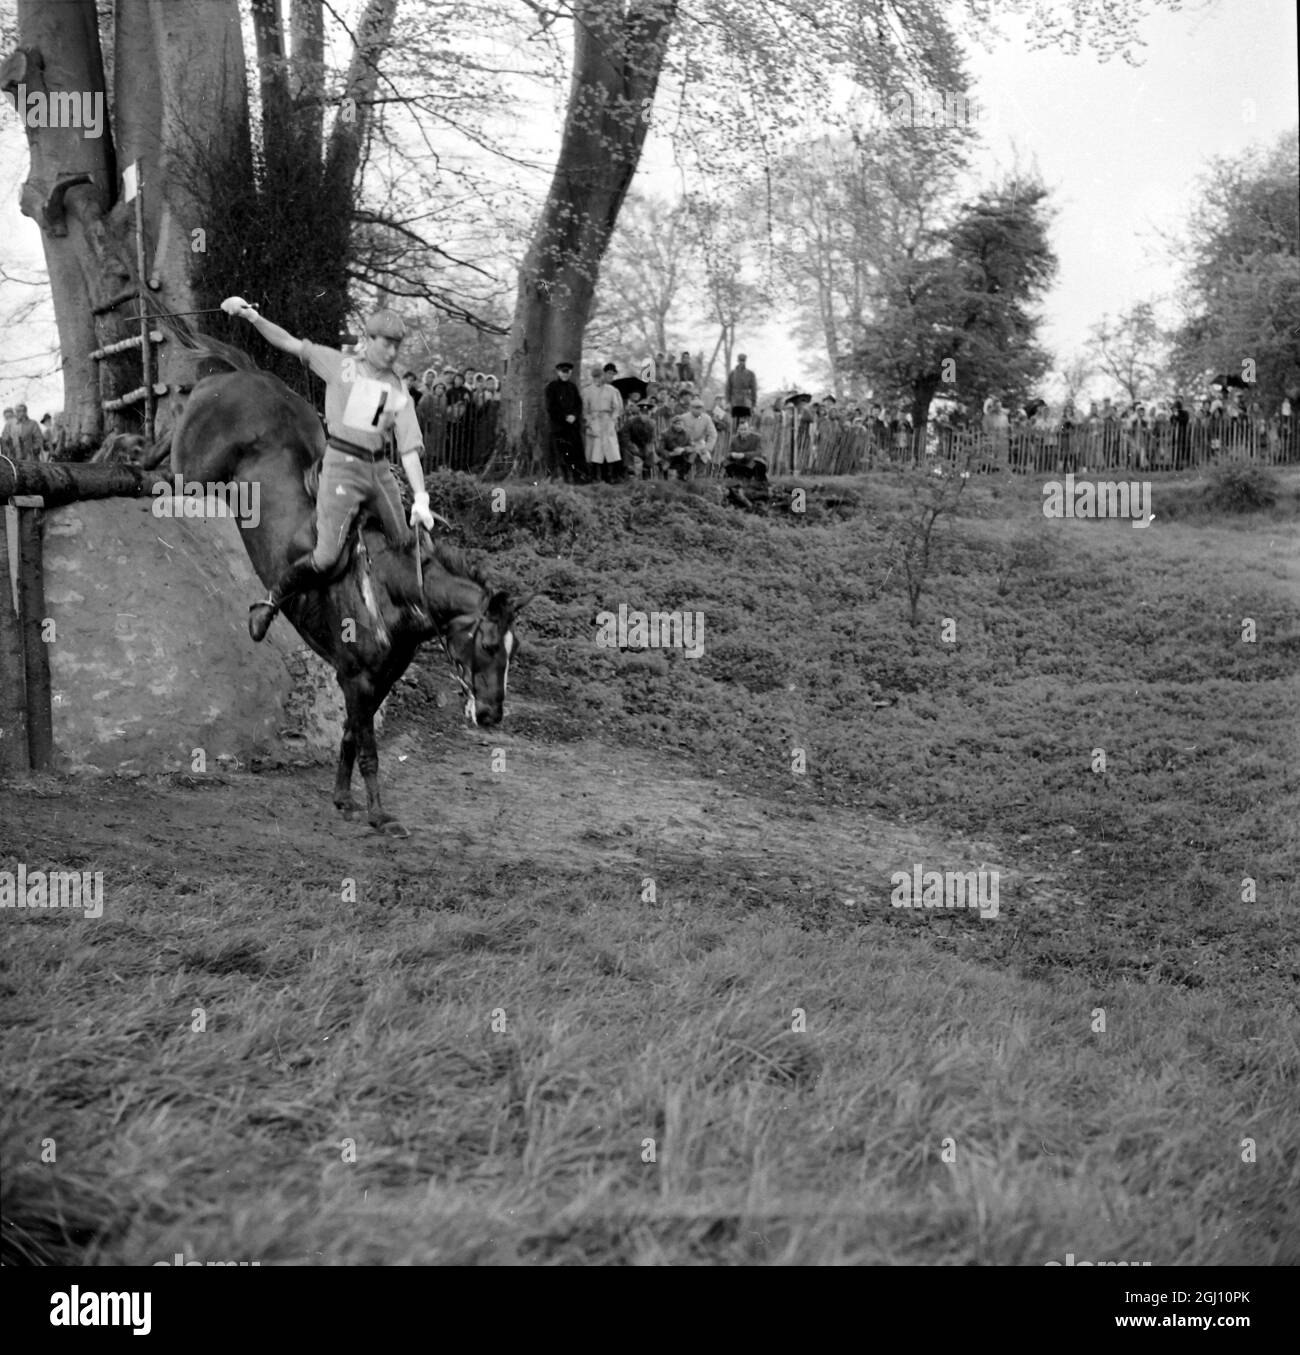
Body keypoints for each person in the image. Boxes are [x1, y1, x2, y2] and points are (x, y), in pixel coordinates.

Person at [221, 296, 436, 642]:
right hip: (341, 468)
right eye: (387, 344)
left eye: (398, 346)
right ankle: (270, 601)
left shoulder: (398, 388)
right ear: (369, 340)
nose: (393, 353)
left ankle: (394, 617)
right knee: (325, 557)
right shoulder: (340, 365)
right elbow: (290, 343)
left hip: (378, 472)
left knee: (407, 544)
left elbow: (409, 449)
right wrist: (252, 317)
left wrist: (421, 499)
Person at [545, 360, 587, 483]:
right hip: (559, 427)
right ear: (558, 372)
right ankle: (560, 477)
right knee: (559, 453)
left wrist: (574, 415)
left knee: (574, 453)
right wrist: (564, 417)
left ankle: (576, 477)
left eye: (567, 372)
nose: (565, 374)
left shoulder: (573, 387)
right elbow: (550, 406)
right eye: (563, 372)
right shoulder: (552, 387)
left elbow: (578, 404)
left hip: (572, 427)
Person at [581, 364, 624, 483]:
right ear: (592, 378)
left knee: (610, 448)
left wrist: (613, 419)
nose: (598, 379)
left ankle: (610, 475)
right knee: (594, 448)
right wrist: (589, 421)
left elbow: (617, 407)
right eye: (595, 377)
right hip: (594, 420)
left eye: (600, 377)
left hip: (607, 420)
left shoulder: (611, 390)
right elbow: (585, 409)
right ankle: (594, 475)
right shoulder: (587, 391)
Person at [726, 353, 758, 428]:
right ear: (738, 361)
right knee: (734, 425)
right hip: (735, 402)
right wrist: (728, 401)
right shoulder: (732, 374)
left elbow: (754, 390)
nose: (741, 362)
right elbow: (728, 388)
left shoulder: (750, 374)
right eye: (740, 361)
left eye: (743, 361)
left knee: (744, 425)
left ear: (745, 361)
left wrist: (754, 404)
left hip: (745, 402)